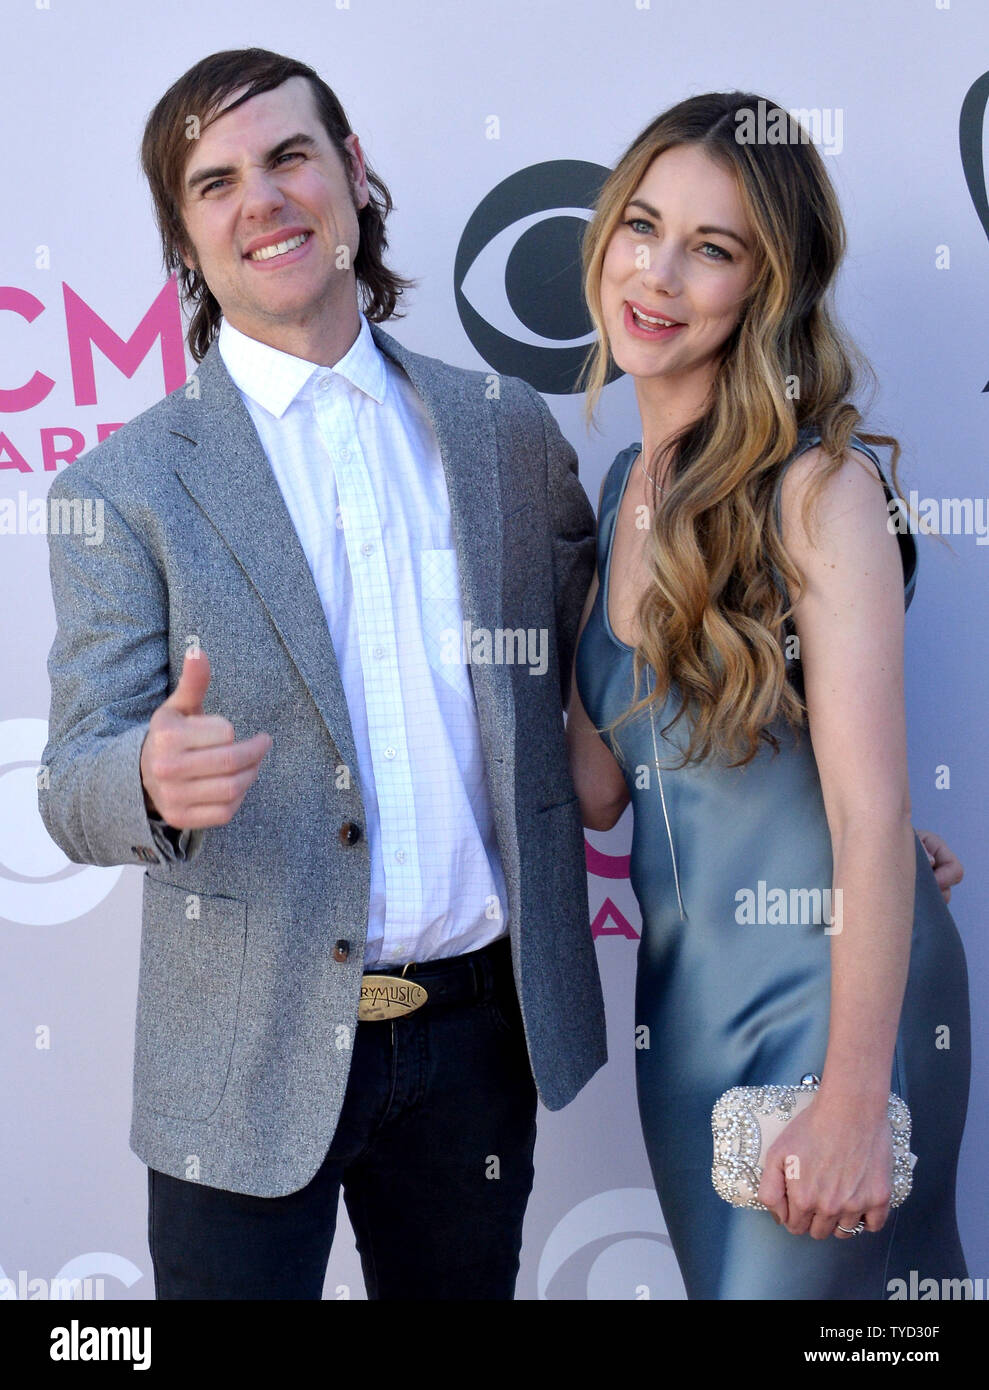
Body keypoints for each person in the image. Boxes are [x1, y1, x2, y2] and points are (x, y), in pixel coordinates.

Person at [38, 47, 606, 1301]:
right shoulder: (123, 489)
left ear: (353, 174)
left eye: (290, 156)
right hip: (237, 1048)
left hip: (475, 1040)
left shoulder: (504, 429)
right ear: (184, 238)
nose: (263, 199)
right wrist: (140, 772)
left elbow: (628, 671)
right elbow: (70, 774)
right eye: (216, 182)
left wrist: (827, 831)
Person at [566, 91, 971, 1300]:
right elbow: (597, 790)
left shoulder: (816, 491)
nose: (657, 273)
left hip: (824, 1013)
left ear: (767, 286)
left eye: (712, 248)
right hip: (684, 1016)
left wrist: (854, 1097)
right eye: (641, 226)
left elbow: (859, 812)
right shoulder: (618, 488)